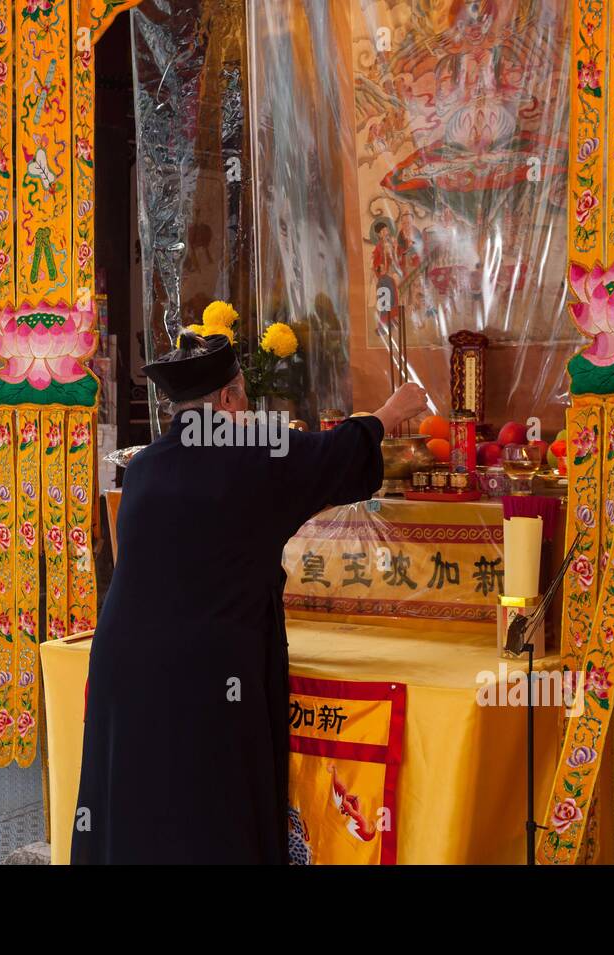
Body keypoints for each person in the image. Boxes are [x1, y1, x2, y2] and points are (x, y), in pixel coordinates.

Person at [71, 329, 427, 864]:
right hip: (205, 675)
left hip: (125, 665)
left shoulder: (144, 467)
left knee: (133, 802)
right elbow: (336, 454)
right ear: (230, 398)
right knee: (208, 811)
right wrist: (391, 410)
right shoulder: (251, 454)